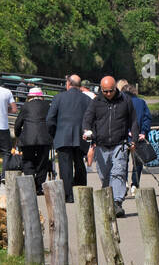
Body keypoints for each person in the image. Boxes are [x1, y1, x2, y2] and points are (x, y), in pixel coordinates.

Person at [83, 75, 136, 217]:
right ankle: (108, 200)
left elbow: (133, 121)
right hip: (101, 144)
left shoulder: (125, 100)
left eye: (110, 91)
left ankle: (117, 202)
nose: (108, 94)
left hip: (120, 143)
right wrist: (87, 131)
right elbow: (87, 119)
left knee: (118, 172)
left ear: (115, 89)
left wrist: (134, 139)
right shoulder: (95, 102)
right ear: (101, 89)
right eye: (105, 91)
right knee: (104, 175)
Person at [46, 74, 90, 200]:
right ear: (80, 85)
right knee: (79, 163)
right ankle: (81, 191)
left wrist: (53, 133)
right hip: (81, 136)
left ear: (68, 84)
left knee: (65, 166)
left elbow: (50, 119)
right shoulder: (87, 100)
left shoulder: (58, 98)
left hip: (62, 135)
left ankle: (68, 194)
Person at [14, 85, 52, 194]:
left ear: (29, 97)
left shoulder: (26, 106)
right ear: (41, 97)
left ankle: (31, 185)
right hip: (44, 139)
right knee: (42, 162)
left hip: (27, 139)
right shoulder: (47, 106)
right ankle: (39, 186)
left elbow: (18, 124)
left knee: (27, 160)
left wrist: (18, 135)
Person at [119, 80, 152, 196]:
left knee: (123, 161)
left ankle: (124, 183)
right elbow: (147, 118)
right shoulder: (141, 102)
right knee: (137, 163)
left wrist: (127, 131)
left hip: (124, 137)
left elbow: (120, 119)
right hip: (138, 137)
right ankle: (135, 185)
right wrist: (143, 132)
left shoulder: (121, 103)